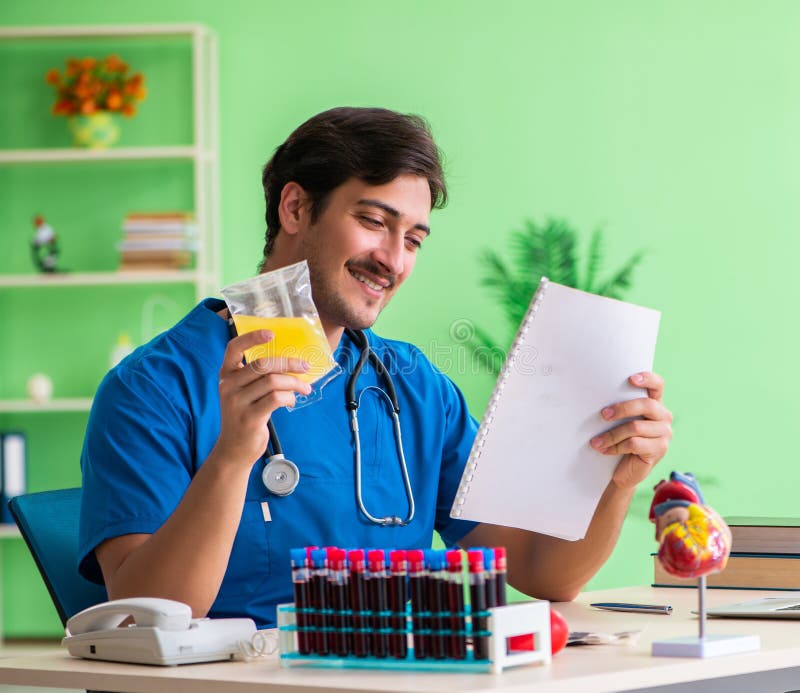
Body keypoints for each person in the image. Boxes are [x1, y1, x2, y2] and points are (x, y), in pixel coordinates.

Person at [79, 107, 673, 628]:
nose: (392, 260)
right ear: (295, 207)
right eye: (372, 221)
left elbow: (545, 574)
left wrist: (617, 482)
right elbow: (143, 613)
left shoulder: (415, 388)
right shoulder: (153, 387)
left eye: (413, 239)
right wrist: (235, 454)